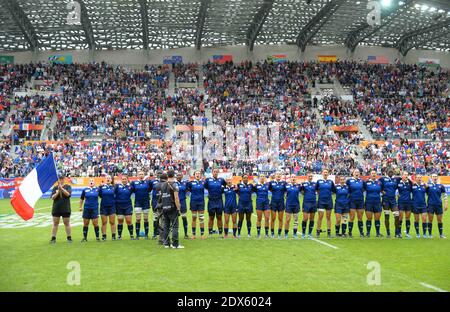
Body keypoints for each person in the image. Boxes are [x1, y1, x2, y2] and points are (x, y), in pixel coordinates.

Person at [157, 171, 184, 249]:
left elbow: (161, 197)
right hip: (172, 208)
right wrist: (178, 208)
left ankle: (166, 243)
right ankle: (175, 244)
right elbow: (176, 198)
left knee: (166, 226)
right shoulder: (174, 184)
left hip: (165, 208)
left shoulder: (162, 185)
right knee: (175, 226)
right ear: (174, 175)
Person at [50, 175, 72, 244]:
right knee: (55, 223)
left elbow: (68, 194)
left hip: (65, 208)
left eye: (62, 179)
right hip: (56, 208)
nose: (61, 180)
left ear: (64, 179)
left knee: (66, 223)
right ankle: (53, 238)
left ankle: (69, 237)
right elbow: (53, 197)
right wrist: (58, 191)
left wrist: (62, 189)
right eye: (60, 179)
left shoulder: (68, 186)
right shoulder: (55, 188)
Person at [204, 168, 226, 237]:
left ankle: (220, 233)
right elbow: (205, 187)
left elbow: (225, 186)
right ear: (212, 172)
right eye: (214, 172)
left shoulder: (221, 180)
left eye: (216, 172)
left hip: (219, 200)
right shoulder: (208, 180)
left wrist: (222, 190)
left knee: (219, 217)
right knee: (211, 217)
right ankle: (210, 233)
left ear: (218, 173)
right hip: (211, 201)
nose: (215, 173)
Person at [131, 171, 152, 239]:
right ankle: (137, 235)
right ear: (137, 175)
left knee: (146, 219)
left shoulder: (148, 182)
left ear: (144, 175)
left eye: (142, 174)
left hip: (146, 202)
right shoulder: (134, 183)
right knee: (138, 219)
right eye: (140, 174)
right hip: (138, 203)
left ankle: (146, 235)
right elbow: (132, 190)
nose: (141, 175)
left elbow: (150, 189)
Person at [379, 169, 400, 238]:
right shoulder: (382, 179)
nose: (390, 172)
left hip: (393, 200)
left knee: (397, 215)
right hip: (385, 200)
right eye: (389, 171)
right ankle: (388, 233)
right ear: (386, 173)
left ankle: (396, 233)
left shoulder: (396, 179)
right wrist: (382, 191)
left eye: (391, 172)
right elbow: (378, 185)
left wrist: (398, 193)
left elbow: (402, 184)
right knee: (387, 216)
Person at [426, 174, 447, 239]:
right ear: (431, 178)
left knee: (440, 220)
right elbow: (424, 192)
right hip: (430, 205)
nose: (435, 178)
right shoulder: (428, 186)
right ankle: (430, 234)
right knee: (430, 220)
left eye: (436, 177)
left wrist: (446, 203)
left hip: (439, 205)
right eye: (433, 177)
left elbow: (444, 195)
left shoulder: (441, 186)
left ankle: (441, 234)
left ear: (437, 178)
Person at [315, 169, 335, 238]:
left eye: (326, 172)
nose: (325, 173)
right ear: (322, 173)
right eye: (324, 172)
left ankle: (329, 232)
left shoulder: (331, 182)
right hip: (321, 201)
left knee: (328, 217)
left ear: (328, 174)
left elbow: (334, 190)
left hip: (329, 201)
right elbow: (316, 190)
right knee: (320, 217)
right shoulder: (319, 181)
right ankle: (318, 231)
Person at [115, 175, 135, 240]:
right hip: (119, 206)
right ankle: (119, 236)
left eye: (125, 179)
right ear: (121, 180)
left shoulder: (130, 187)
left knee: (129, 221)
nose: (124, 180)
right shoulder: (117, 186)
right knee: (120, 220)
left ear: (127, 179)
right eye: (123, 179)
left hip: (128, 206)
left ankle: (131, 235)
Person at [364, 170, 383, 238]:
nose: (373, 174)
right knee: (369, 218)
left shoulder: (379, 183)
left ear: (376, 174)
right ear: (370, 175)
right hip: (369, 202)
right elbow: (362, 190)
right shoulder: (366, 182)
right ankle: (368, 233)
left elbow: (383, 191)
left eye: (375, 173)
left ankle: (378, 233)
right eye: (372, 173)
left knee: (377, 218)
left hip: (377, 202)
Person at [187, 171, 206, 239]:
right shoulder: (191, 183)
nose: (198, 175)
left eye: (199, 174)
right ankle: (193, 234)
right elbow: (186, 189)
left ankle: (202, 234)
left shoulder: (203, 182)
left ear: (201, 175)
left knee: (201, 218)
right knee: (194, 217)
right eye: (196, 174)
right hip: (193, 202)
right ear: (194, 175)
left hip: (201, 202)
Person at [346, 169, 365, 238]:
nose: (357, 173)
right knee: (352, 217)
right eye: (355, 172)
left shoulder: (362, 181)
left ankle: (361, 232)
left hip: (360, 201)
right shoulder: (349, 181)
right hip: (352, 201)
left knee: (360, 218)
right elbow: (346, 189)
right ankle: (350, 232)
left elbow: (364, 188)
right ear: (353, 173)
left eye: (358, 172)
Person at [268, 173, 286, 239]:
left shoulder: (284, 183)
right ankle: (272, 233)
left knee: (280, 219)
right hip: (273, 202)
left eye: (279, 174)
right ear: (275, 176)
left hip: (281, 202)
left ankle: (279, 233)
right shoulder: (271, 183)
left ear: (281, 176)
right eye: (277, 175)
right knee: (273, 218)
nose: (278, 175)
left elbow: (286, 191)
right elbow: (270, 189)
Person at [99, 175, 116, 241]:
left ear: (111, 180)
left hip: (112, 206)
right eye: (107, 178)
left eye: (109, 178)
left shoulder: (114, 187)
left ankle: (113, 236)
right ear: (105, 179)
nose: (108, 179)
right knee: (104, 222)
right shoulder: (101, 187)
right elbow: (100, 195)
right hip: (103, 206)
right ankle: (104, 236)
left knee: (112, 222)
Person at [301, 172, 317, 239]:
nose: (310, 177)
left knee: (312, 218)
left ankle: (310, 233)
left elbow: (317, 191)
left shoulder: (315, 184)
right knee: (305, 218)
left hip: (313, 203)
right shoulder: (304, 184)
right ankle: (303, 233)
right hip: (306, 203)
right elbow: (302, 192)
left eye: (311, 176)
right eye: (309, 176)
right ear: (307, 176)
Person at [397, 172, 413, 238]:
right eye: (405, 174)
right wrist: (396, 193)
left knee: (408, 218)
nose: (406, 176)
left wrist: (410, 180)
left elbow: (414, 189)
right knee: (400, 217)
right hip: (401, 202)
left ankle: (407, 233)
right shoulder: (398, 182)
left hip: (408, 202)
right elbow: (394, 188)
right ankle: (399, 232)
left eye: (407, 175)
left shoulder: (410, 183)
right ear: (402, 176)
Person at [284, 175, 301, 239]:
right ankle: (286, 233)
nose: (293, 178)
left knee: (296, 220)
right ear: (290, 178)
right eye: (292, 177)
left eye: (294, 177)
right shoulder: (286, 186)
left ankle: (295, 234)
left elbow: (302, 192)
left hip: (296, 205)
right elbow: (284, 193)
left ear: (296, 178)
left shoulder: (298, 186)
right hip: (289, 205)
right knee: (288, 220)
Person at [176, 172, 189, 239]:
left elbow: (187, 190)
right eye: (177, 175)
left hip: (183, 202)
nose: (179, 176)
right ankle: (175, 234)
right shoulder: (173, 183)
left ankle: (186, 234)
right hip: (175, 203)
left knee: (184, 218)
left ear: (182, 176)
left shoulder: (185, 183)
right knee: (175, 219)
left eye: (180, 175)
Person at [149, 171, 160, 239]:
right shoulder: (152, 182)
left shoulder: (166, 182)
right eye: (158, 173)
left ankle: (163, 233)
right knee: (155, 218)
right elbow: (149, 189)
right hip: (155, 202)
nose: (159, 175)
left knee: (164, 218)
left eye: (160, 173)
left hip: (164, 202)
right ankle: (155, 233)